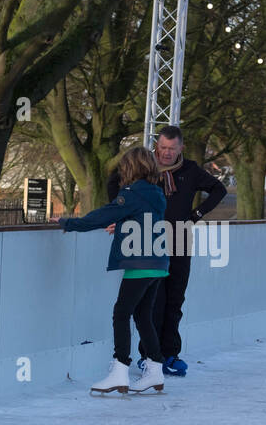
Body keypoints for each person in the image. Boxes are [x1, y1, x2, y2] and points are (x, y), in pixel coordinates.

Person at [106, 126, 226, 377]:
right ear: (156, 146)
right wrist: (119, 213)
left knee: (175, 300)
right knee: (152, 302)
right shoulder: (145, 168)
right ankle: (148, 356)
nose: (167, 153)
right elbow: (114, 181)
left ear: (181, 148)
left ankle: (171, 354)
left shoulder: (190, 170)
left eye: (172, 148)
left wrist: (196, 215)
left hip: (181, 238)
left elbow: (219, 190)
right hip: (150, 239)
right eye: (163, 148)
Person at [61, 147, 170, 395]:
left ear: (131, 168)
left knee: (121, 312)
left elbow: (101, 216)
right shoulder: (156, 193)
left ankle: (120, 369)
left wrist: (69, 223)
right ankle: (155, 370)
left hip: (140, 263)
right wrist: (123, 224)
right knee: (143, 316)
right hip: (158, 263)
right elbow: (144, 220)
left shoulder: (131, 194)